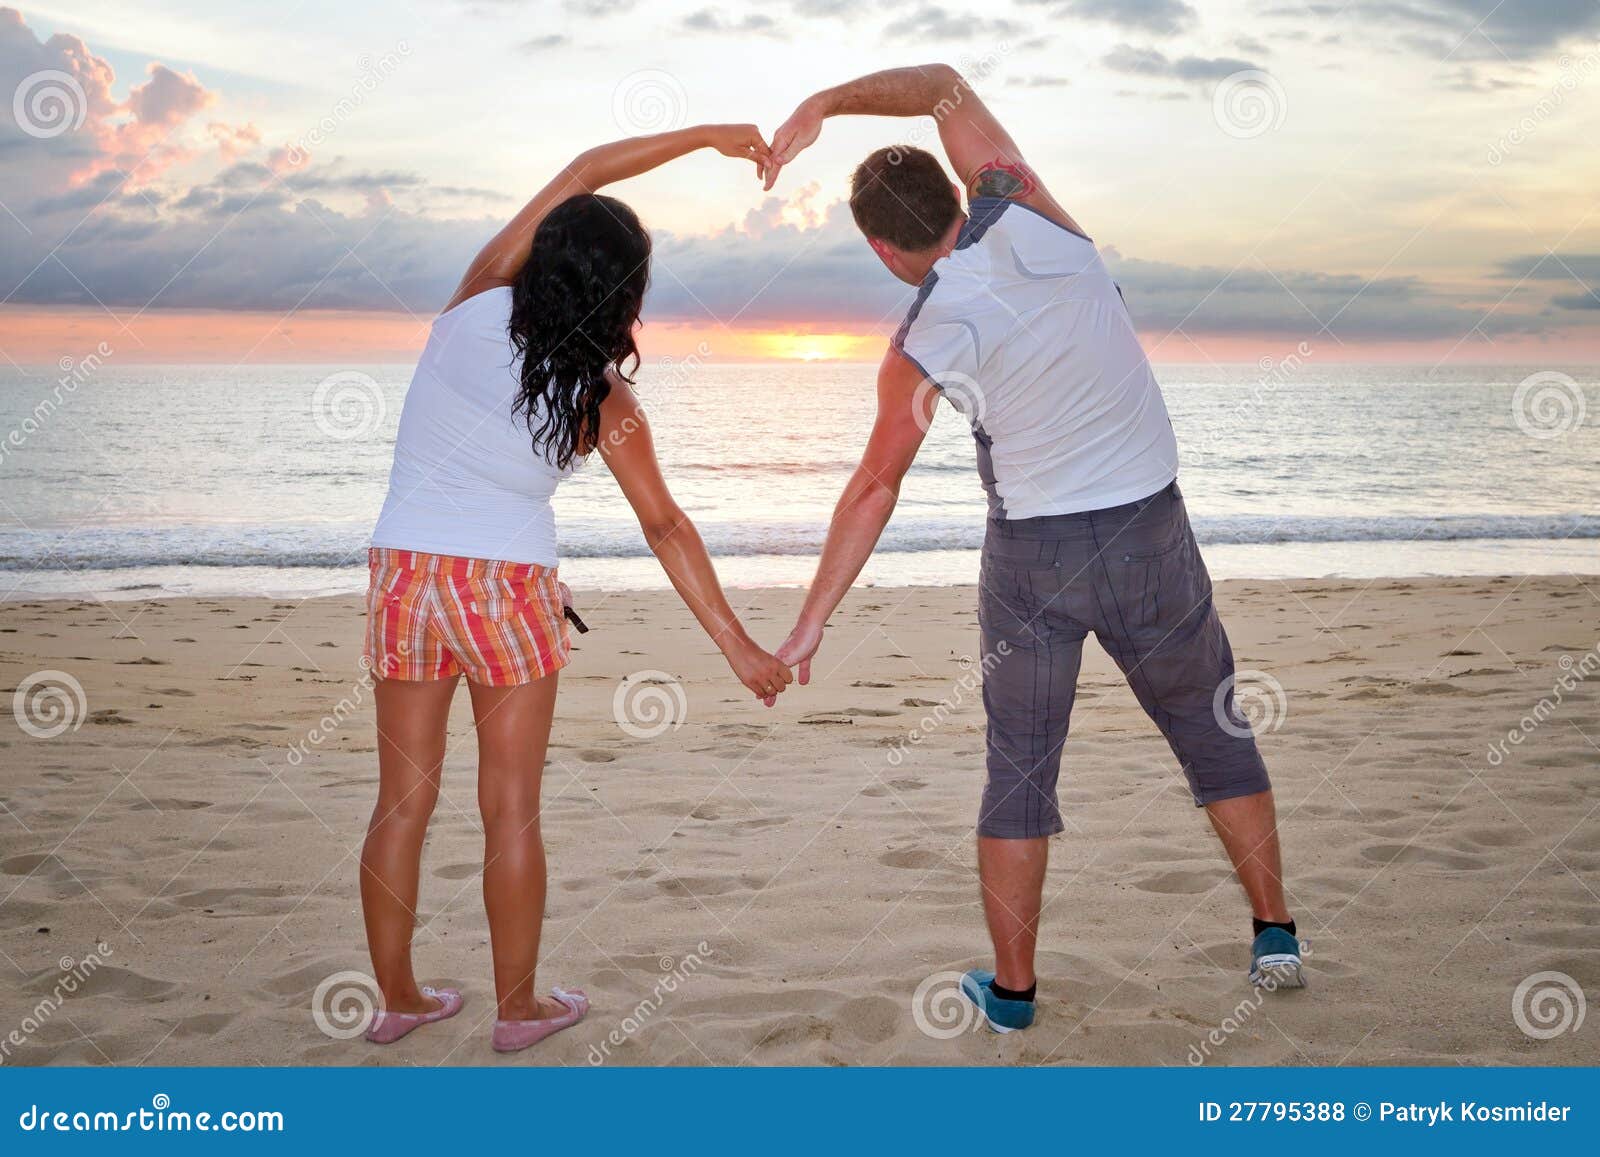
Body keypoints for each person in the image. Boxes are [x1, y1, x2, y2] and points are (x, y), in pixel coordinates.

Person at [764, 65, 1302, 1034]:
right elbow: (940, 84)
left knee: (1018, 769)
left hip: (1035, 563)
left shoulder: (925, 334)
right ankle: (1276, 932)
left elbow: (874, 486)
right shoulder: (1034, 213)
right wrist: (824, 103)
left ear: (884, 249)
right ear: (955, 189)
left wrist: (808, 626)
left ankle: (1013, 994)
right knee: (1212, 728)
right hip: (1152, 532)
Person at [358, 124, 793, 1053]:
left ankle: (396, 999)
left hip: (404, 570)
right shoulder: (599, 396)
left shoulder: (472, 297)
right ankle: (517, 1011)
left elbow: (586, 169)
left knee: (402, 800)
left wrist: (710, 137)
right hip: (508, 588)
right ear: (623, 296)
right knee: (509, 805)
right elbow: (667, 526)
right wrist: (740, 647)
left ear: (543, 252)